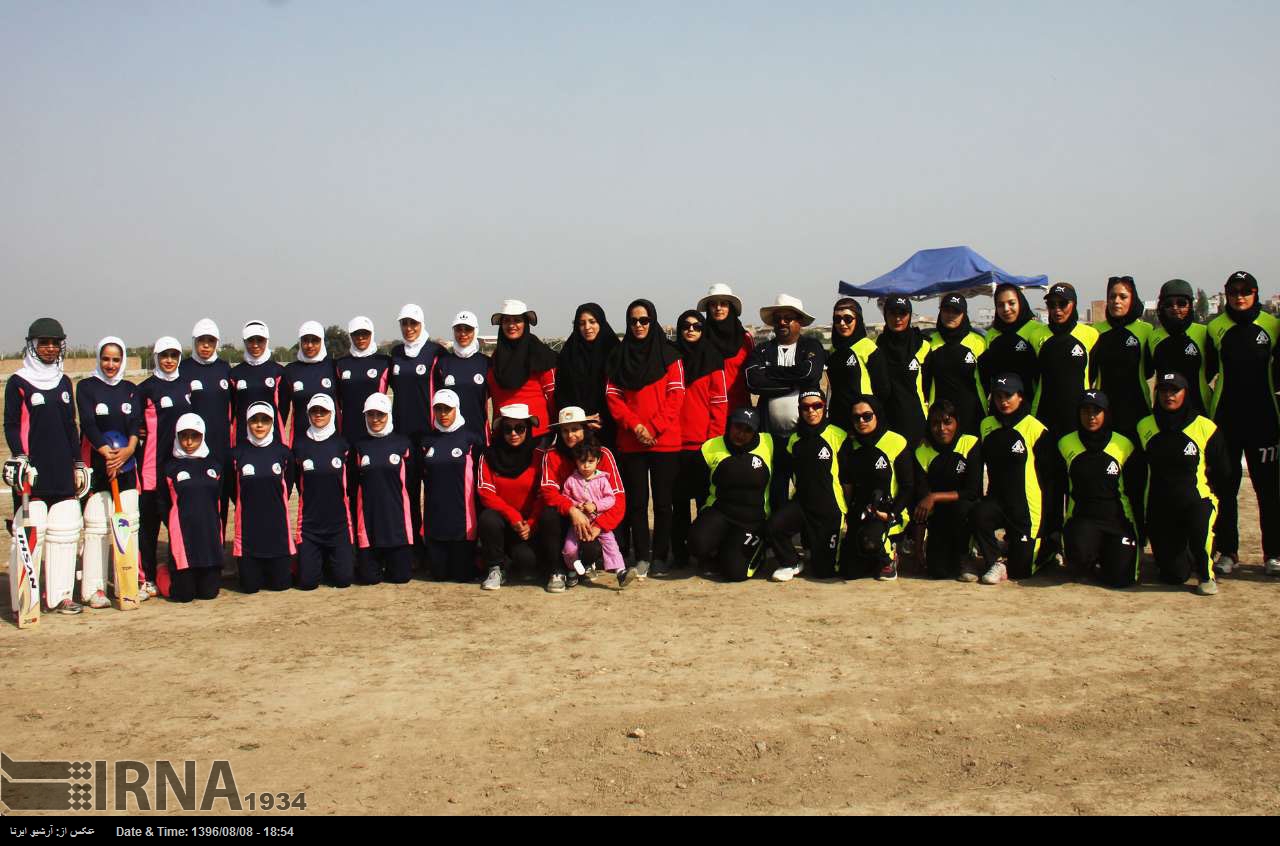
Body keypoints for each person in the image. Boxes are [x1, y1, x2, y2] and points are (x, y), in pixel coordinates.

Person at [4, 318, 87, 615]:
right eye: (44, 343)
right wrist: (20, 457)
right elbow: (12, 425)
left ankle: (61, 596)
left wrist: (78, 463)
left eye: (55, 343)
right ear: (33, 345)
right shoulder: (18, 382)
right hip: (33, 472)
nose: (50, 348)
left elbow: (71, 426)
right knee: (30, 533)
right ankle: (25, 600)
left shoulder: (63, 382)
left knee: (65, 532)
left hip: (62, 469)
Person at [1207, 270, 1280, 576]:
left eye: (1245, 291)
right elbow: (1205, 372)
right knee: (1226, 488)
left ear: (1255, 293)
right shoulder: (1215, 328)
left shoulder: (1272, 326)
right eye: (1233, 292)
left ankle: (1273, 553)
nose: (1239, 297)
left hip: (1264, 420)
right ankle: (1228, 552)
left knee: (1269, 490)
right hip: (1226, 420)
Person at [606, 298, 686, 578]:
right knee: (637, 503)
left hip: (664, 440)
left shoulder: (671, 356)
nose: (638, 325)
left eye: (644, 320)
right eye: (633, 321)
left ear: (652, 321)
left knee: (663, 503)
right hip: (632, 441)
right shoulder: (618, 356)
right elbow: (613, 397)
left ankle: (660, 555)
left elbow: (676, 395)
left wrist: (653, 427)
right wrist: (636, 426)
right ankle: (641, 555)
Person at [1136, 373, 1228, 595]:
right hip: (1162, 508)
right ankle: (1184, 551)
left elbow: (1223, 470)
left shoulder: (1205, 427)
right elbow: (1137, 470)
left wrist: (1210, 498)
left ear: (1185, 393)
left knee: (1199, 529)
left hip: (1196, 502)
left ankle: (1206, 573)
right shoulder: (1145, 426)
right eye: (1163, 391)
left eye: (1174, 391)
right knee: (1173, 576)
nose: (1169, 396)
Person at [1032, 283, 1099, 553]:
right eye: (1052, 305)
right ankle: (1049, 540)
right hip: (1045, 421)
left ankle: (1074, 541)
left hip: (1077, 423)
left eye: (1063, 304)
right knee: (1048, 484)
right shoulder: (1037, 336)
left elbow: (1095, 377)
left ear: (1074, 305)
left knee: (1076, 484)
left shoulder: (1090, 335)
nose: (1057, 310)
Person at [77, 336, 142, 608]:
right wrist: (106, 454)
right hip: (98, 464)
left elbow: (135, 424)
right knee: (97, 525)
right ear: (99, 359)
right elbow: (88, 423)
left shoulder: (130, 389)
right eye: (106, 359)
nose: (111, 364)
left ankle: (126, 582)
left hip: (126, 464)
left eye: (116, 359)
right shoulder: (86, 387)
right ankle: (94, 588)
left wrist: (128, 450)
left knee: (128, 523)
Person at [745, 294, 826, 511]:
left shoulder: (812, 345)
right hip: (772, 437)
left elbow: (810, 374)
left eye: (788, 318)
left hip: (804, 436)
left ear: (799, 322)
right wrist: (794, 384)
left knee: (808, 489)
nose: (782, 322)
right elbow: (753, 381)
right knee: (776, 492)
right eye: (778, 318)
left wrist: (770, 371)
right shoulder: (762, 349)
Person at [971, 374, 1054, 584]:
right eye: (998, 396)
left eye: (1008, 396)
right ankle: (996, 562)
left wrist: (1048, 521)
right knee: (978, 514)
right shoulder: (986, 425)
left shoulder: (1035, 429)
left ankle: (1047, 549)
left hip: (1026, 509)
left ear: (1020, 396)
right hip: (997, 502)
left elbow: (1049, 479)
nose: (1003, 401)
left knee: (1021, 571)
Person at [1058, 390, 1145, 588]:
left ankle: (1109, 553)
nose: (1091, 417)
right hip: (1083, 519)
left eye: (1096, 411)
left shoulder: (1123, 445)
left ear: (1106, 413)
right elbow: (1056, 489)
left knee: (1122, 580)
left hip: (1118, 521)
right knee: (1078, 563)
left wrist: (1140, 533)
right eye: (1085, 411)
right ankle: (1091, 555)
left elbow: (1137, 492)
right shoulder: (1065, 443)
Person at [540, 407, 628, 593]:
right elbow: (548, 492)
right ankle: (557, 571)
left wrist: (599, 526)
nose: (570, 435)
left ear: (585, 429)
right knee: (548, 514)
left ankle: (584, 567)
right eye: (565, 430)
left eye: (575, 429)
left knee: (592, 549)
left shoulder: (602, 454)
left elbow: (618, 498)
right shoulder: (552, 454)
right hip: (566, 516)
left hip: (595, 519)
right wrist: (572, 510)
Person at [765, 390, 847, 581]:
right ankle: (792, 562)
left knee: (823, 572)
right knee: (773, 526)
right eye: (805, 407)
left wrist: (847, 510)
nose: (811, 411)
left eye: (817, 406)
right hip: (802, 504)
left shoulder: (838, 436)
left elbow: (847, 479)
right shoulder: (794, 439)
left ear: (824, 408)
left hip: (829, 509)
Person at [671, 309, 727, 570]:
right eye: (686, 326)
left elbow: (719, 404)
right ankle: (679, 553)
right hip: (674, 444)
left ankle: (706, 553)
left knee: (705, 502)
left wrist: (712, 443)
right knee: (679, 504)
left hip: (703, 446)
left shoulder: (713, 359)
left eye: (697, 326)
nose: (691, 330)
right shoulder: (672, 358)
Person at [688, 408, 773, 582]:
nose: (741, 434)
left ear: (755, 432)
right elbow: (698, 486)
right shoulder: (710, 447)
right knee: (697, 543)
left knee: (735, 573)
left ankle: (759, 550)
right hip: (721, 512)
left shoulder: (769, 443)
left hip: (752, 520)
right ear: (730, 425)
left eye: (748, 430)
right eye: (737, 427)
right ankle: (720, 548)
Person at [135, 336, 190, 598]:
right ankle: (145, 577)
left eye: (174, 355)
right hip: (151, 469)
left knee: (177, 524)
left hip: (178, 468)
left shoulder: (186, 385)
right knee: (148, 528)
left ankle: (177, 570)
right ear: (156, 357)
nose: (169, 360)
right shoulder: (146, 389)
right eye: (164, 356)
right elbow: (134, 427)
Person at [838, 395, 914, 581]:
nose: (861, 421)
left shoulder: (896, 442)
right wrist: (850, 512)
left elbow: (907, 486)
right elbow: (847, 484)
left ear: (877, 415)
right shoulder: (850, 445)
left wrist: (891, 514)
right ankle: (871, 553)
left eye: (867, 416)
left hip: (889, 512)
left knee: (870, 540)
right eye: (856, 417)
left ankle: (889, 558)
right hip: (862, 512)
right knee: (849, 572)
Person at [389, 304, 441, 559]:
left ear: (422, 324)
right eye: (405, 324)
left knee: (433, 494)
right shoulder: (396, 353)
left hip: (429, 436)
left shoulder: (435, 352)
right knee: (407, 494)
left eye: (414, 323)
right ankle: (413, 548)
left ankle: (434, 546)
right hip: (402, 437)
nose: (409, 328)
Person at [476, 404, 547, 590]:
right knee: (488, 518)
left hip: (527, 526)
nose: (513, 434)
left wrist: (531, 523)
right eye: (507, 429)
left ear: (528, 429)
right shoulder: (488, 456)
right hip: (502, 522)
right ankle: (495, 568)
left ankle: (511, 558)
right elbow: (485, 493)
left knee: (527, 563)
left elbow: (543, 494)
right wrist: (512, 515)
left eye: (520, 428)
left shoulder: (539, 456)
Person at [157, 414, 224, 603]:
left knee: (209, 594)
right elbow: (163, 501)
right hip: (183, 535)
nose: (188, 442)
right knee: (183, 596)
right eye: (183, 436)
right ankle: (162, 571)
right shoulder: (170, 467)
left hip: (209, 535)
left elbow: (219, 496)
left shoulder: (214, 465)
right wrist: (173, 523)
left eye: (194, 436)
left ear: (202, 435)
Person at [912, 400, 982, 580]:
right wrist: (918, 550)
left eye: (947, 422)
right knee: (938, 572)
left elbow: (972, 491)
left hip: (964, 511)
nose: (942, 428)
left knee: (962, 508)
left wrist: (934, 496)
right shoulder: (922, 452)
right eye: (935, 423)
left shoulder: (970, 443)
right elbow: (922, 505)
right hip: (940, 516)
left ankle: (966, 554)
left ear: (957, 422)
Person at [230, 402, 295, 593]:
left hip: (277, 533)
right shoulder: (237, 454)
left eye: (265, 420)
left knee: (281, 586)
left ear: (272, 423)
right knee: (250, 588)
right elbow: (232, 489)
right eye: (254, 420)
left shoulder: (283, 453)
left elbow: (288, 485)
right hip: (249, 535)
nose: (259, 425)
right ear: (247, 423)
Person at [419, 389, 483, 582]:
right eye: (438, 409)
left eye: (447, 409)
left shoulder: (471, 439)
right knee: (438, 576)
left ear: (457, 409)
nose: (443, 414)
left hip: (462, 522)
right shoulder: (427, 441)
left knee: (461, 576)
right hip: (436, 521)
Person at [335, 315, 391, 533]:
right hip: (349, 437)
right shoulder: (341, 365)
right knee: (351, 490)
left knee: (377, 489)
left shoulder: (384, 362)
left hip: (377, 437)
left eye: (365, 334)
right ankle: (354, 539)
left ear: (371, 334)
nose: (361, 338)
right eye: (356, 334)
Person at [292, 395, 354, 589]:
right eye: (314, 411)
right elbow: (295, 480)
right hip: (309, 527)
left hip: (339, 525)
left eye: (323, 411)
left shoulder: (342, 445)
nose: (318, 415)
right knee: (307, 583)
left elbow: (351, 483)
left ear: (332, 413)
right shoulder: (299, 445)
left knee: (344, 580)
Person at [353, 393, 416, 585]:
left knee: (401, 577)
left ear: (389, 414)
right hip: (369, 523)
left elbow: (412, 483)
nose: (375, 419)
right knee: (369, 579)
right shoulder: (359, 446)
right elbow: (353, 484)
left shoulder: (403, 444)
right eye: (370, 414)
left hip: (397, 524)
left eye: (380, 414)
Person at [180, 318, 233, 528]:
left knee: (220, 496)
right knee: (197, 497)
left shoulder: (224, 368)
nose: (205, 345)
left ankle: (217, 541)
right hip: (193, 447)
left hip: (221, 446)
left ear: (216, 343)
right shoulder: (184, 369)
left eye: (210, 341)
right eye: (201, 341)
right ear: (194, 342)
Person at [561, 441, 633, 587]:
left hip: (599, 521)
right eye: (582, 462)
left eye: (590, 461)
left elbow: (611, 499)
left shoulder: (603, 480)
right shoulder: (571, 481)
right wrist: (575, 506)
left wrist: (595, 505)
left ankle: (621, 572)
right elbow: (565, 497)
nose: (586, 466)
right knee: (569, 549)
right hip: (578, 525)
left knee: (611, 546)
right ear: (576, 461)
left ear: (598, 460)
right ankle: (573, 570)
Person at [1089, 276, 1153, 439]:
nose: (1116, 301)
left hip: (1137, 406)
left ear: (1133, 299)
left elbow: (1149, 371)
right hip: (1105, 408)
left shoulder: (1146, 330)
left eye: (1123, 297)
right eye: (1112, 297)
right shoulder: (1095, 331)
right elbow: (1090, 373)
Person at [554, 303, 621, 449]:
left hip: (610, 428)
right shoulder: (568, 355)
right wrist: (582, 419)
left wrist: (601, 417)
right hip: (575, 430)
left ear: (601, 323)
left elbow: (619, 391)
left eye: (592, 322)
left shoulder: (615, 353)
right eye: (582, 323)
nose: (587, 327)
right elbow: (561, 393)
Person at [488, 299, 557, 440]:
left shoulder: (540, 355)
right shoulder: (496, 357)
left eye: (517, 320)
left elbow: (553, 397)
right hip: (504, 434)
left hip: (537, 434)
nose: (511, 325)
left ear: (525, 323)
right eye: (506, 321)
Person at [1147, 279, 1215, 416]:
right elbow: (1147, 372)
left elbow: (1213, 369)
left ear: (1190, 306)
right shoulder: (1153, 337)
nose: (1175, 308)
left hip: (1199, 409)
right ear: (1161, 307)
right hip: (1164, 410)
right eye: (1168, 304)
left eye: (1182, 303)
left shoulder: (1204, 333)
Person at [923, 294, 987, 436]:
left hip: (973, 414)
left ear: (964, 314)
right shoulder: (929, 342)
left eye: (956, 311)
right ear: (940, 312)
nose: (951, 315)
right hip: (941, 418)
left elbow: (987, 380)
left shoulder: (978, 342)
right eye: (947, 310)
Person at [826, 297, 888, 433]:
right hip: (837, 422)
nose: (842, 324)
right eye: (837, 319)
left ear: (858, 320)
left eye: (848, 319)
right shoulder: (833, 350)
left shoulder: (868, 348)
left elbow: (882, 390)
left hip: (862, 421)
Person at [875, 295, 930, 447]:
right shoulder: (876, 348)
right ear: (885, 315)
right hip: (886, 424)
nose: (897, 319)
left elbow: (930, 388)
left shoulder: (922, 345)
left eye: (903, 313)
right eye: (893, 313)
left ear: (910, 315)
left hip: (917, 424)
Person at [979, 283, 1049, 401]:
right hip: (1000, 405)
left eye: (1011, 303)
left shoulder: (1037, 331)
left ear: (1020, 302)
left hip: (1029, 405)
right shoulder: (991, 335)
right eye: (1000, 305)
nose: (1006, 309)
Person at [432, 311, 489, 441]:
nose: (463, 334)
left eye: (468, 329)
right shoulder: (443, 364)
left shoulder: (486, 363)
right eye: (459, 329)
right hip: (449, 437)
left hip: (478, 434)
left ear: (475, 331)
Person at [229, 320, 286, 448]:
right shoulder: (234, 373)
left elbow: (283, 408)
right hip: (242, 435)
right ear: (244, 342)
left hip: (273, 435)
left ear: (266, 341)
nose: (255, 345)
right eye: (251, 340)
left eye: (260, 340)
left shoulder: (278, 371)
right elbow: (232, 409)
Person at [282, 321, 338, 447]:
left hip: (332, 440)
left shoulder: (334, 367)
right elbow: (283, 410)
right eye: (305, 340)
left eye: (315, 341)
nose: (310, 345)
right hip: (300, 439)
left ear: (322, 341)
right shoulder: (290, 370)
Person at [698, 284, 755, 409]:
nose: (718, 308)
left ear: (731, 308)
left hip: (739, 409)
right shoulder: (700, 339)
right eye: (713, 304)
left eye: (723, 304)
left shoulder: (746, 339)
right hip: (708, 408)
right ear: (708, 309)